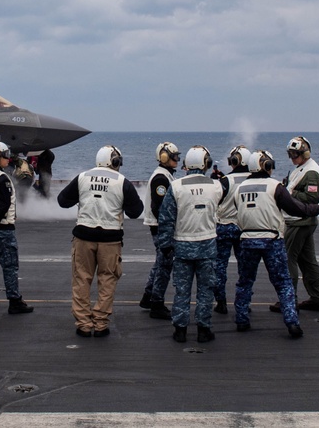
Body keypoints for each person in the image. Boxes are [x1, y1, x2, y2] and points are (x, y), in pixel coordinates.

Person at [233, 150, 319, 338]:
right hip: (271, 240)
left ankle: (242, 320)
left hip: (247, 240)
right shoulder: (275, 186)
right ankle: (292, 323)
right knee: (283, 283)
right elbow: (297, 208)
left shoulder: (240, 188)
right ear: (267, 166)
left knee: (244, 282)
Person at [57, 145, 144, 338]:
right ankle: (101, 323)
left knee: (81, 279)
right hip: (110, 240)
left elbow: (62, 201)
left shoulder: (82, 177)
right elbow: (136, 211)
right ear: (113, 161)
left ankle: (83, 324)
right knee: (107, 280)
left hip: (83, 237)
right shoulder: (122, 182)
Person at [157, 146, 229, 343]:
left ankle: (180, 330)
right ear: (205, 163)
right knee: (206, 289)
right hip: (207, 246)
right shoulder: (215, 186)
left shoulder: (176, 186)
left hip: (182, 246)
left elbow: (166, 218)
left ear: (187, 165)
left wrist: (164, 245)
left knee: (182, 289)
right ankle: (203, 330)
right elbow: (225, 191)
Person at [271, 136, 319, 314]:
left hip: (299, 222)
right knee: (308, 262)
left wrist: (289, 196)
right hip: (301, 221)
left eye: (295, 154)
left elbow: (312, 198)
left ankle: (289, 299)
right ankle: (317, 298)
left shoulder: (311, 172)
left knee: (288, 260)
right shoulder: (301, 169)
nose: (292, 157)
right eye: (290, 154)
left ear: (305, 153)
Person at [0, 142, 34, 314]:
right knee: (10, 267)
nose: (8, 158)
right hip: (3, 230)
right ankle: (14, 300)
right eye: (5, 155)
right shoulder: (2, 178)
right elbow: (3, 205)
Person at [139, 141, 179, 321]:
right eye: (174, 156)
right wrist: (167, 228)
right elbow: (160, 207)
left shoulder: (165, 176)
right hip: (161, 226)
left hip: (159, 226)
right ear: (164, 157)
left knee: (160, 262)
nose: (177, 159)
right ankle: (157, 303)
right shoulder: (161, 179)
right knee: (165, 265)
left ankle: (148, 296)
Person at [212, 145, 251, 314]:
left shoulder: (225, 181)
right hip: (244, 227)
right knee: (245, 268)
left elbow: (216, 200)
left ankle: (221, 302)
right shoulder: (253, 180)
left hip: (225, 226)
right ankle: (244, 303)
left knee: (220, 267)